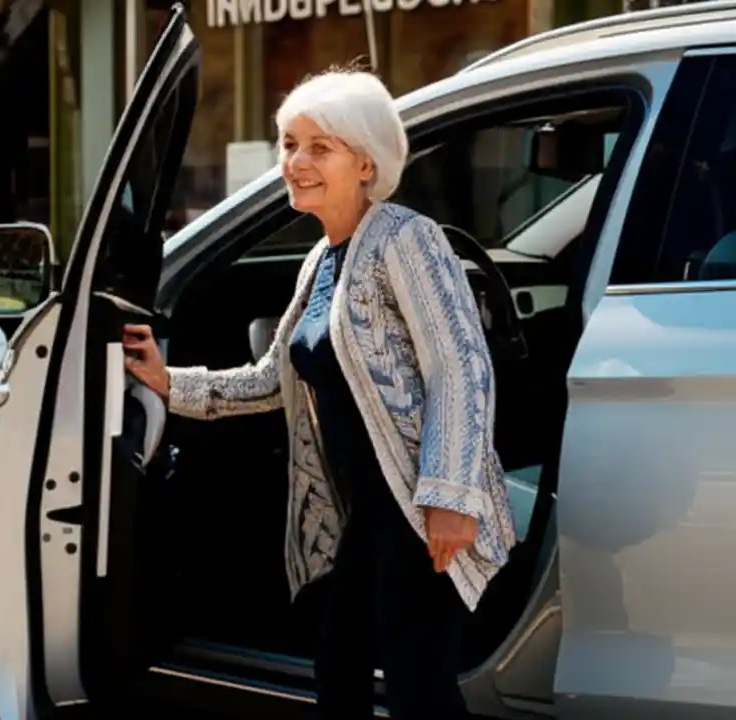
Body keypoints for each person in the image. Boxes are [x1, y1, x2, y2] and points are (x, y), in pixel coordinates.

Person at [122, 67, 517, 719]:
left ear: (366, 163)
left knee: (418, 685)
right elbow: (271, 381)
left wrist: (451, 496)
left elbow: (462, 366)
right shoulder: (322, 260)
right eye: (288, 144)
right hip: (365, 514)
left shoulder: (405, 239)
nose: (296, 162)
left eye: (319, 147)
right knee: (339, 668)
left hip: (421, 508)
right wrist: (170, 383)